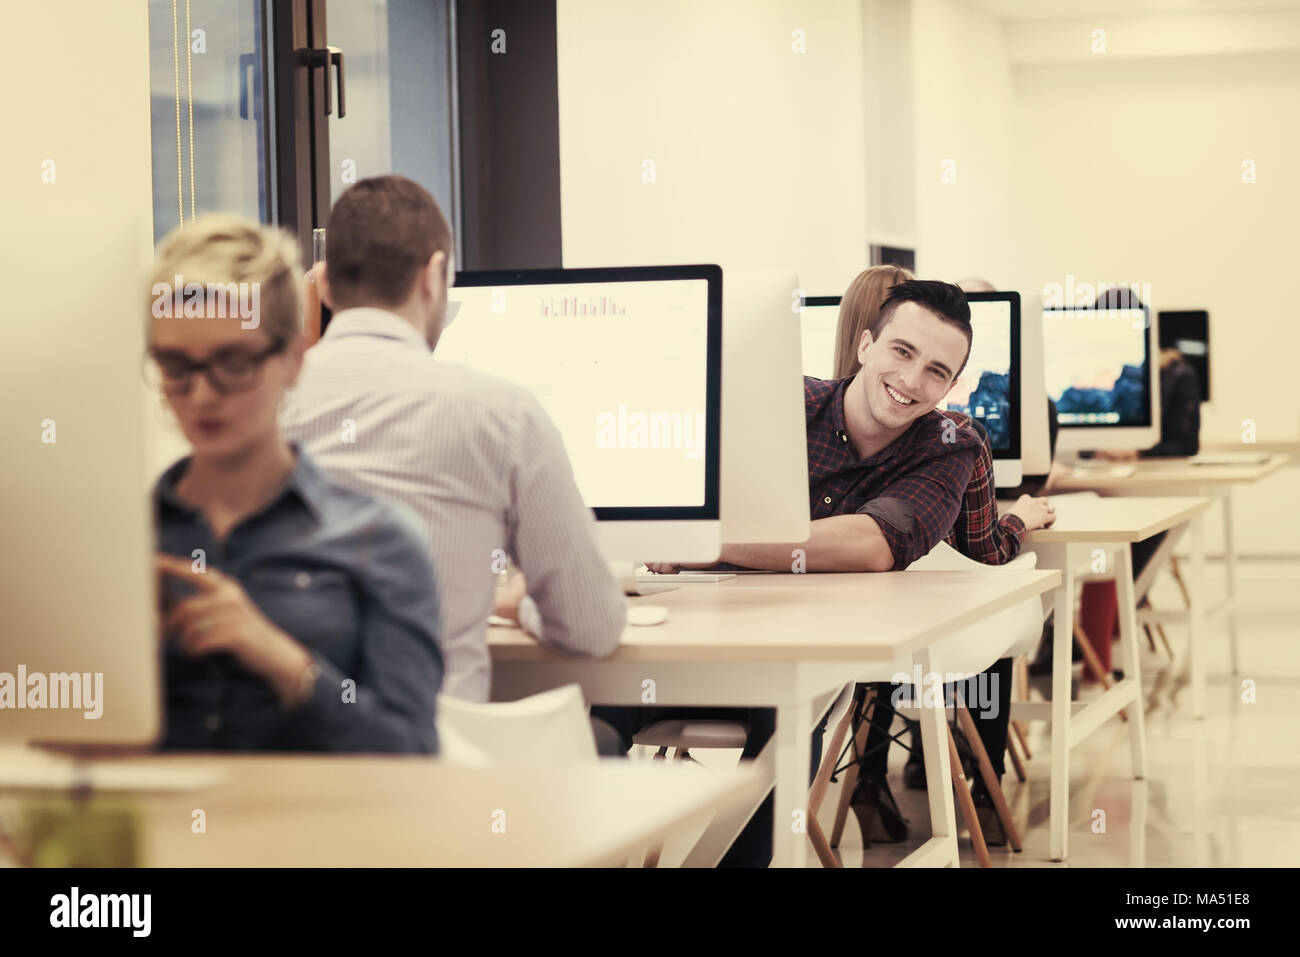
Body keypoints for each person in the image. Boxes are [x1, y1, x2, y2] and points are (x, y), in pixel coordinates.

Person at [602, 279, 995, 863]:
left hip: (796, 662)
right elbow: (674, 484)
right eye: (902, 352)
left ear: (952, 386)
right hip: (693, 635)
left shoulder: (948, 444)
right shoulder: (778, 406)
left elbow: (871, 544)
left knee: (786, 725)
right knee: (592, 711)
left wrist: (713, 542)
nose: (912, 381)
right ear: (865, 345)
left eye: (937, 371)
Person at [280, 176, 626, 749]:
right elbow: (592, 626)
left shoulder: (262, 410)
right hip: (440, 771)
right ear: (433, 274)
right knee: (604, 741)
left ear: (325, 285)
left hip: (291, 768)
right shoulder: (503, 412)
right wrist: (520, 604)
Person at [149, 214, 444, 752]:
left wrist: (281, 659)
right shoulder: (124, 542)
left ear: (294, 357)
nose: (202, 396)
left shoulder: (378, 539)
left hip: (322, 833)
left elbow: (409, 753)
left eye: (233, 363)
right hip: (157, 834)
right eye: (175, 366)